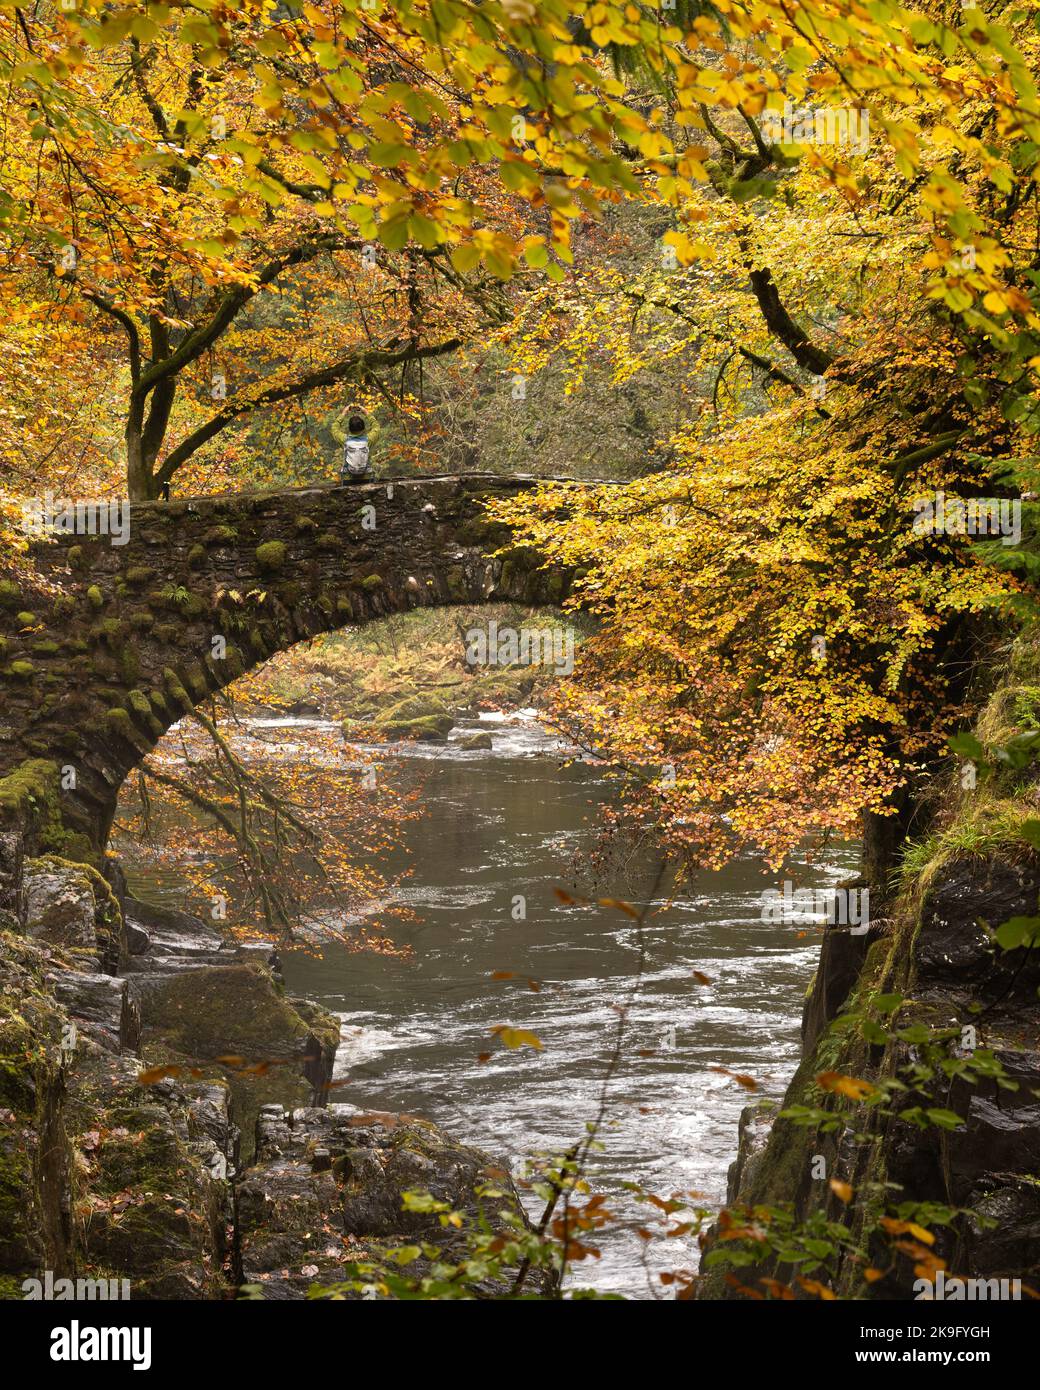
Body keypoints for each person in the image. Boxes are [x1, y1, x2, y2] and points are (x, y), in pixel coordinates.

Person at [341, 413, 372, 482]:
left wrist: (344, 412)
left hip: (348, 476)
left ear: (349, 428)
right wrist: (366, 412)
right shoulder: (369, 439)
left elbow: (334, 428)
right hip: (366, 476)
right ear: (363, 428)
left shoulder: (344, 439)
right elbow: (377, 427)